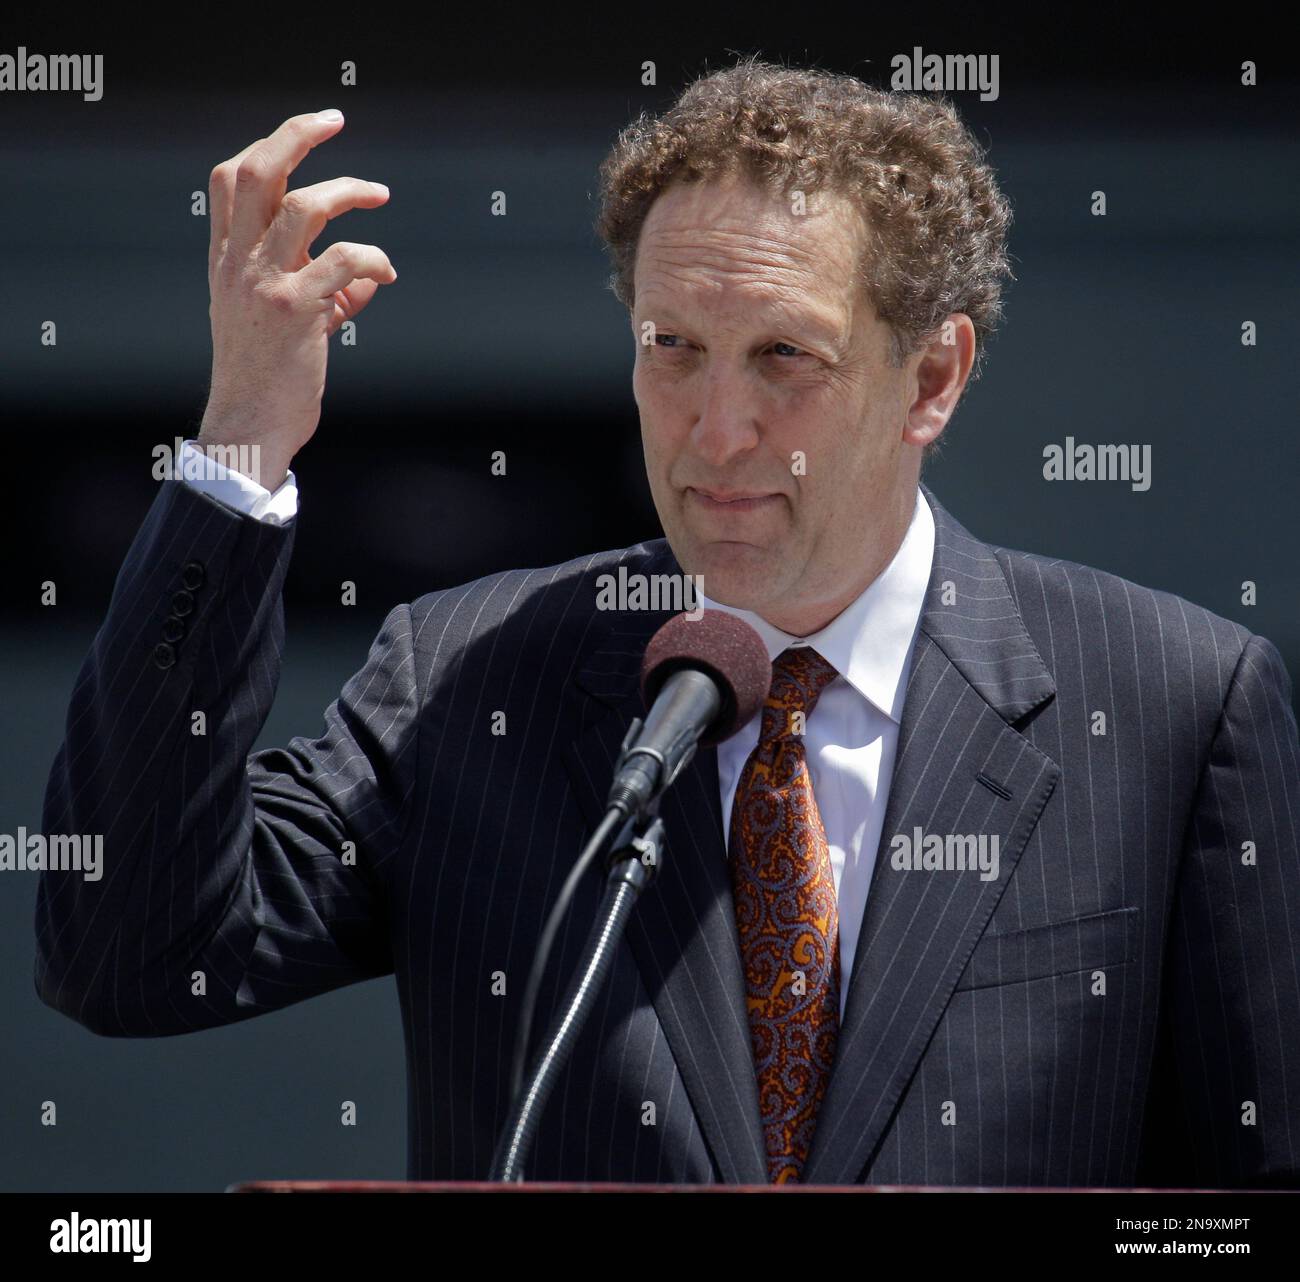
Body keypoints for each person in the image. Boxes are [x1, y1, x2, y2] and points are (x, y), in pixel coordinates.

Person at [35, 57, 1300, 1188]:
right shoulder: (470, 677)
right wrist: (240, 442)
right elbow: (127, 952)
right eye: (673, 347)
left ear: (931, 377)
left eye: (782, 359)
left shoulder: (1172, 704)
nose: (714, 428)